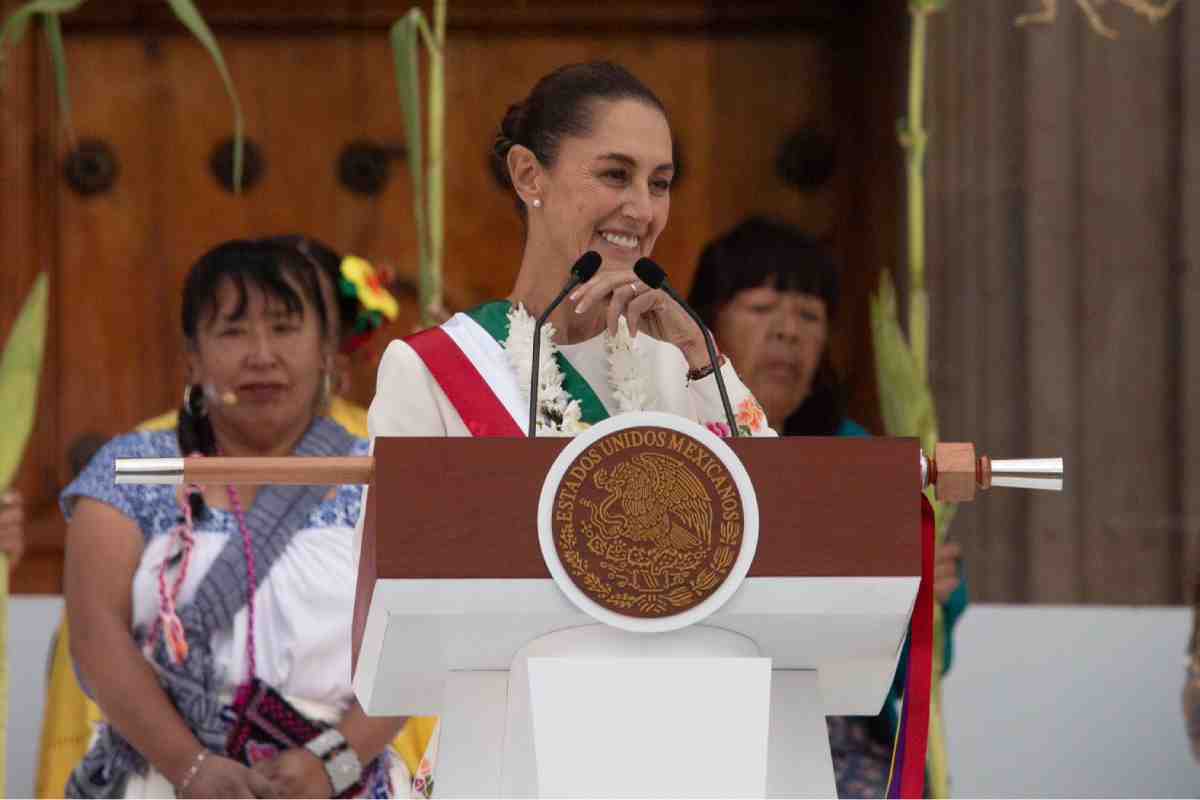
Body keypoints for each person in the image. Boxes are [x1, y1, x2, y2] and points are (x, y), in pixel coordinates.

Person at [60, 240, 409, 798]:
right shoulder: (132, 471)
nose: (261, 355)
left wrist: (331, 765)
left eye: (285, 327)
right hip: (160, 776)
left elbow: (412, 644)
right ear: (193, 358)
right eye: (232, 331)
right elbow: (96, 636)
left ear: (327, 351)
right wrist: (191, 767)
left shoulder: (381, 476)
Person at [689, 215, 968, 798]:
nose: (788, 332)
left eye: (810, 317)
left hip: (833, 739)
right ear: (705, 323)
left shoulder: (859, 461)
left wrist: (928, 593)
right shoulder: (665, 444)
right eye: (763, 308)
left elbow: (922, 656)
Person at [367, 61, 773, 444]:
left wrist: (701, 354)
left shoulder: (682, 366)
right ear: (528, 176)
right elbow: (403, 521)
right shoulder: (432, 371)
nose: (643, 210)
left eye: (660, 183)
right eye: (615, 174)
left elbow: (773, 506)